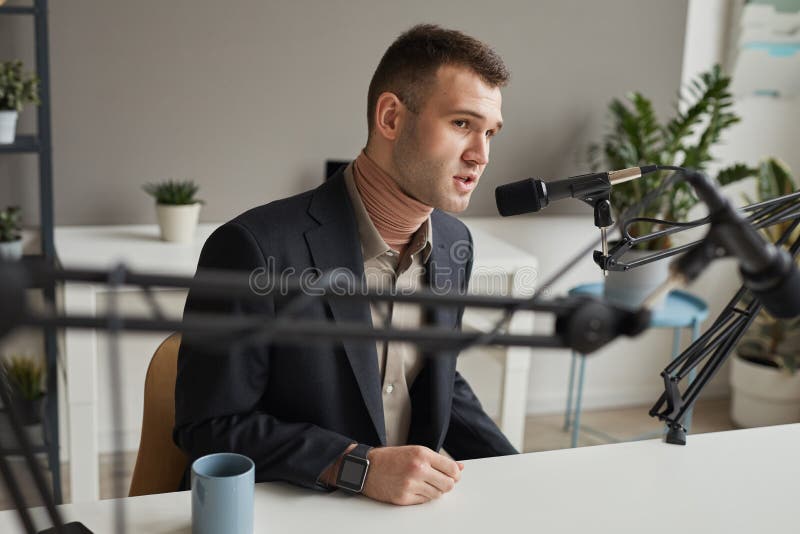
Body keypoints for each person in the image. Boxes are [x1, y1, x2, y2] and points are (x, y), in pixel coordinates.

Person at [174, 23, 517, 506]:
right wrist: (357, 465)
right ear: (391, 117)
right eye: (462, 124)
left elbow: (436, 378)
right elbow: (208, 426)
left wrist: (524, 469)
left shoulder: (454, 244)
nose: (481, 155)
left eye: (491, 133)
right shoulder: (252, 248)